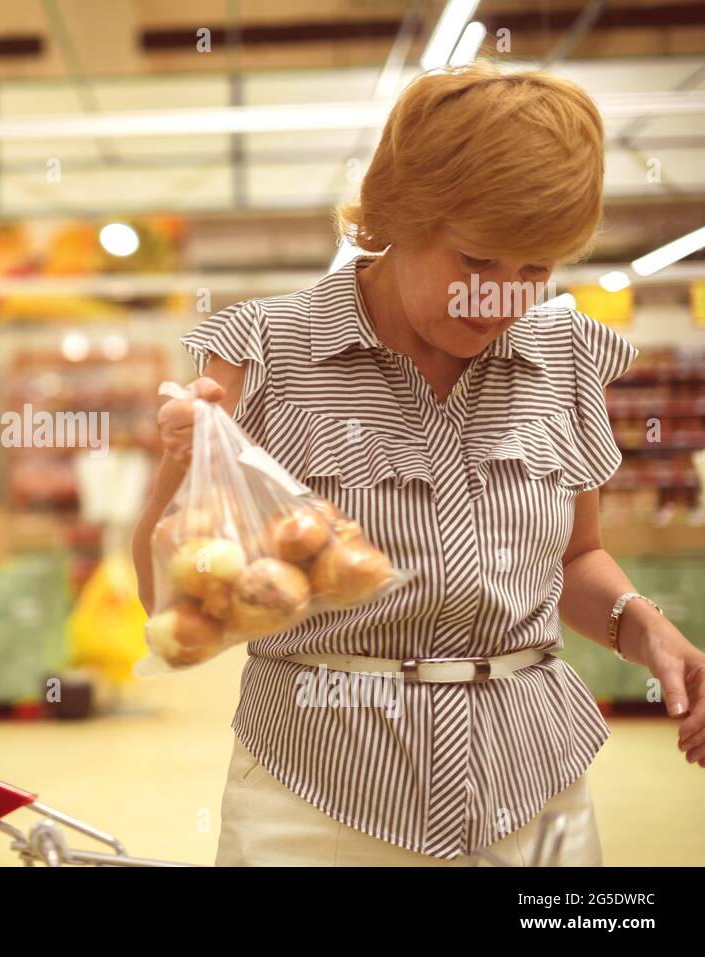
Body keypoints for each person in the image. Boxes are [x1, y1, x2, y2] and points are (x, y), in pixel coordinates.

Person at [133, 61, 705, 866]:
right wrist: (182, 467)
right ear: (398, 214)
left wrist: (647, 631)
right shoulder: (262, 353)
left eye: (534, 271)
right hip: (319, 790)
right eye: (476, 262)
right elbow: (169, 591)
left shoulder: (561, 356)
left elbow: (576, 558)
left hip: (532, 790)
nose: (501, 301)